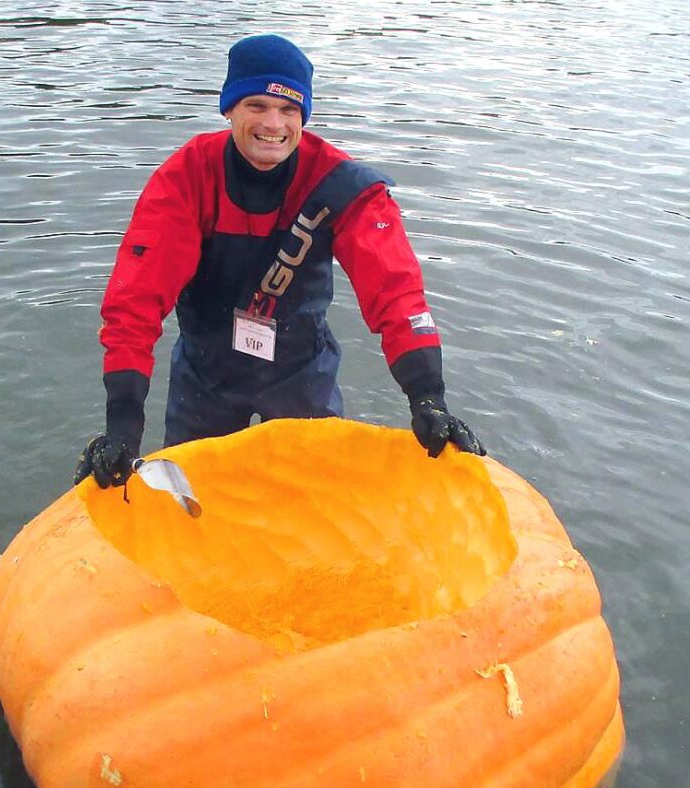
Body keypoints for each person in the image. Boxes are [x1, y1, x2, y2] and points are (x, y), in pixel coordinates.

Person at [74, 34, 485, 489]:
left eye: (289, 110)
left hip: (300, 370)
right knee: (192, 499)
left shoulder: (340, 185)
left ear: (304, 116)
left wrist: (428, 398)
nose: (274, 124)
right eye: (256, 106)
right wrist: (123, 427)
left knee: (317, 499)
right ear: (229, 109)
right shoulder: (187, 178)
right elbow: (134, 304)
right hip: (207, 373)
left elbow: (397, 293)